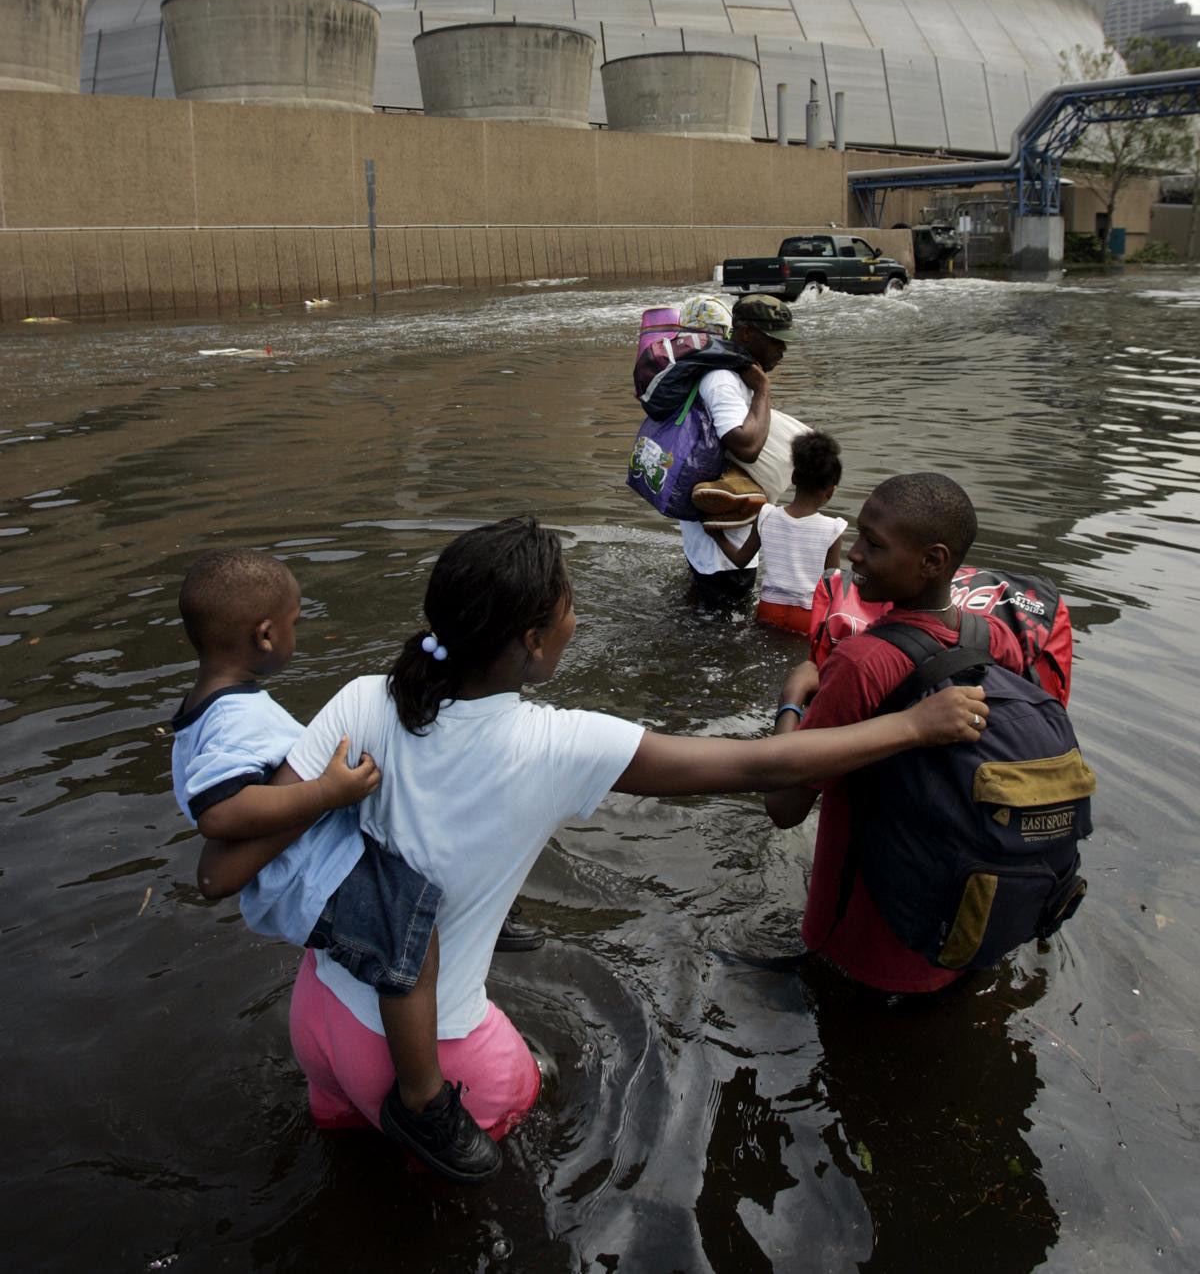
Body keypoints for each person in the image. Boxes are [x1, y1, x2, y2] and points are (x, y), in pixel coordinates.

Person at [195, 517, 989, 1144]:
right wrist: (912, 727)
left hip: (318, 1019)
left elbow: (251, 839)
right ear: (532, 641)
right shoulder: (559, 744)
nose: (576, 620)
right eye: (568, 608)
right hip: (432, 1050)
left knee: (347, 1171)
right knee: (525, 1106)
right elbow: (759, 764)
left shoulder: (365, 696)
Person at [172, 549, 501, 1183]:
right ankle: (423, 1101)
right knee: (411, 952)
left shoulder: (211, 707)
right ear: (265, 635)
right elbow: (220, 813)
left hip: (317, 866)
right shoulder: (234, 720)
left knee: (414, 889)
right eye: (294, 622)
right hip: (315, 879)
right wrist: (326, 792)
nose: (296, 633)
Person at [763, 472, 1025, 993]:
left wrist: (791, 702)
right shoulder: (997, 638)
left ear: (932, 561)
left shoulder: (862, 663)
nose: (854, 554)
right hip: (965, 932)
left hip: (863, 945)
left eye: (873, 544)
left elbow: (784, 806)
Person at [678, 294, 800, 605]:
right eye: (775, 341)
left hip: (716, 536)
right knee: (725, 622)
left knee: (701, 609)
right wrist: (763, 389)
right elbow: (746, 447)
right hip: (726, 553)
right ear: (745, 334)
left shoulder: (731, 371)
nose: (782, 350)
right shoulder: (724, 379)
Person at [704, 430, 847, 635]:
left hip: (769, 608)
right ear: (831, 491)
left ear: (793, 477)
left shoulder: (766, 514)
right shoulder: (833, 529)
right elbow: (832, 586)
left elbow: (740, 560)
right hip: (807, 615)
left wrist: (718, 536)